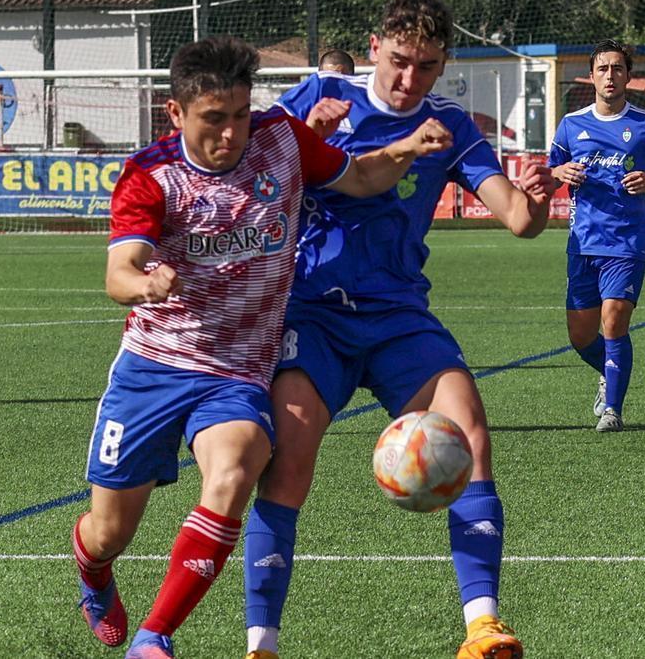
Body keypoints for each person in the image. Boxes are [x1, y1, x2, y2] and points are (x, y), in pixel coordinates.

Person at [70, 35, 452, 659]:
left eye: (240, 115)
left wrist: (407, 147)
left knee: (236, 468)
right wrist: (145, 281)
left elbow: (357, 177)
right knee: (110, 531)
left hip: (239, 371)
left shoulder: (280, 138)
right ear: (177, 114)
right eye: (214, 120)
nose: (231, 134)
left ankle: (154, 637)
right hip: (154, 367)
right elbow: (119, 271)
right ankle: (94, 574)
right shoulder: (150, 175)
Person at [242, 0, 555, 659]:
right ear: (376, 45)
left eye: (426, 66)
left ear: (442, 68)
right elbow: (249, 176)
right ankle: (261, 642)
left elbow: (519, 219)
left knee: (469, 429)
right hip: (312, 309)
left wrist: (540, 190)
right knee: (289, 460)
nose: (408, 78)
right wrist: (310, 140)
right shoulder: (320, 94)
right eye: (401, 60)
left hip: (397, 315)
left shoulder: (451, 127)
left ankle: (483, 627)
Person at [548, 39, 645, 433]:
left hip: (626, 243)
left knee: (614, 321)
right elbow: (549, 169)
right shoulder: (572, 124)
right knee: (580, 336)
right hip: (582, 243)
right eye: (603, 69)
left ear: (628, 75)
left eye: (617, 68)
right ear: (592, 76)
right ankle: (611, 371)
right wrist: (561, 173)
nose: (611, 75)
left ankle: (612, 410)